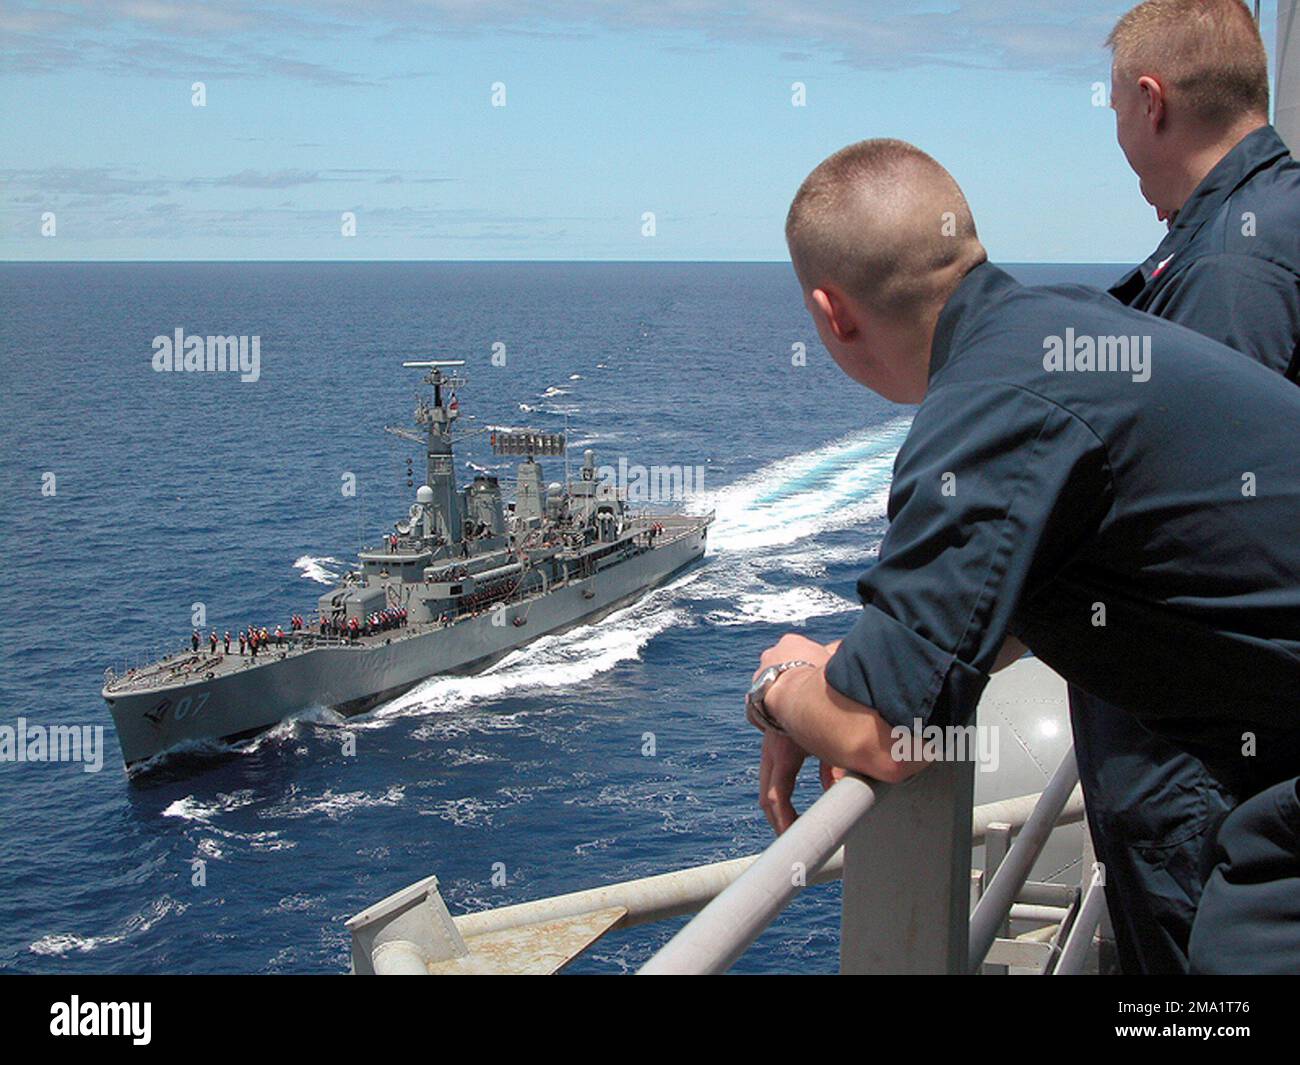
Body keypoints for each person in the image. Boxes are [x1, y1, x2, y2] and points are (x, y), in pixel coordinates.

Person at [757, 137, 1300, 974]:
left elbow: (888, 734)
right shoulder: (1064, 331)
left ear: (833, 313)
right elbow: (981, 619)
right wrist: (856, 664)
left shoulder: (987, 407)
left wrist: (781, 690)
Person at [1064, 0, 1300, 974]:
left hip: (1208, 785)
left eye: (1115, 111)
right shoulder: (1266, 226)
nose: (1118, 141)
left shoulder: (1228, 271)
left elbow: (1194, 526)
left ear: (1150, 103)